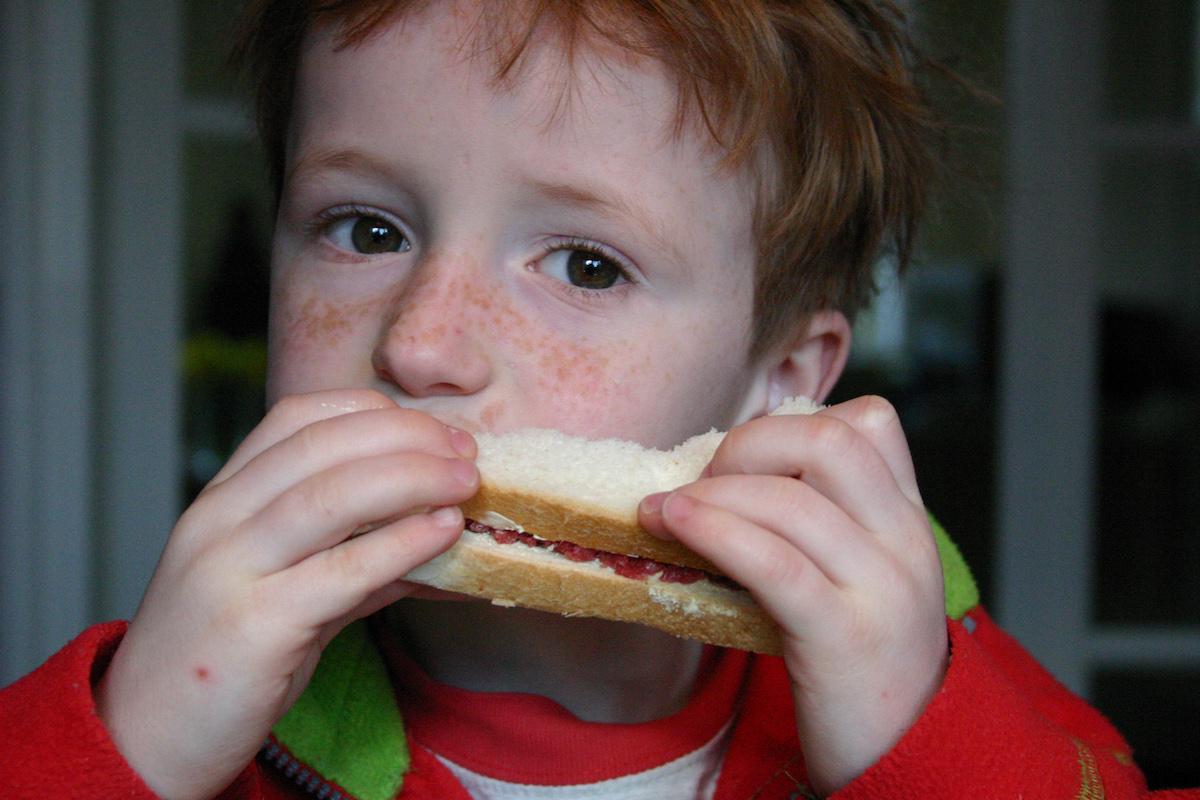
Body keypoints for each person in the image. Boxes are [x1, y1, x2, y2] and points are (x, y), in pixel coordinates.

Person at [2, 1, 1195, 798]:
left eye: (584, 263)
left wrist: (924, 744)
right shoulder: (174, 712)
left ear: (781, 380)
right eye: (365, 229)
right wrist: (128, 748)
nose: (421, 346)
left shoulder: (928, 677)